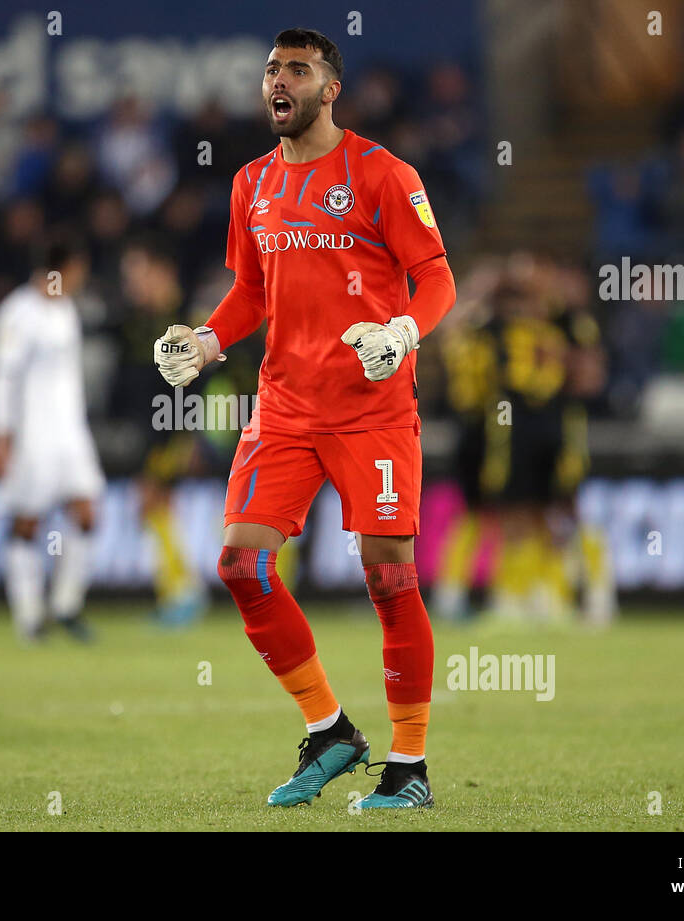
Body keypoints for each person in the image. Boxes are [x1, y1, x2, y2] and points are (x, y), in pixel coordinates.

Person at [153, 29, 456, 809]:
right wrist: (209, 339)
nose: (277, 81)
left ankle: (410, 766)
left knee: (389, 579)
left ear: (330, 89)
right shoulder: (251, 183)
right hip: (283, 407)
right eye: (270, 69)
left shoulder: (382, 173)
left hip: (372, 410)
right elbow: (253, 290)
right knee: (240, 565)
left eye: (297, 69)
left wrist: (403, 332)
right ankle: (330, 729)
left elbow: (436, 279)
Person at [0, 235, 104, 643]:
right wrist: (0, 437)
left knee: (87, 513)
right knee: (27, 523)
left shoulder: (67, 310)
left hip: (70, 432)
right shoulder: (17, 314)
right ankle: (29, 616)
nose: (79, 280)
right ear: (60, 270)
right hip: (30, 435)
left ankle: (66, 606)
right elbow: (1, 378)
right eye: (77, 272)